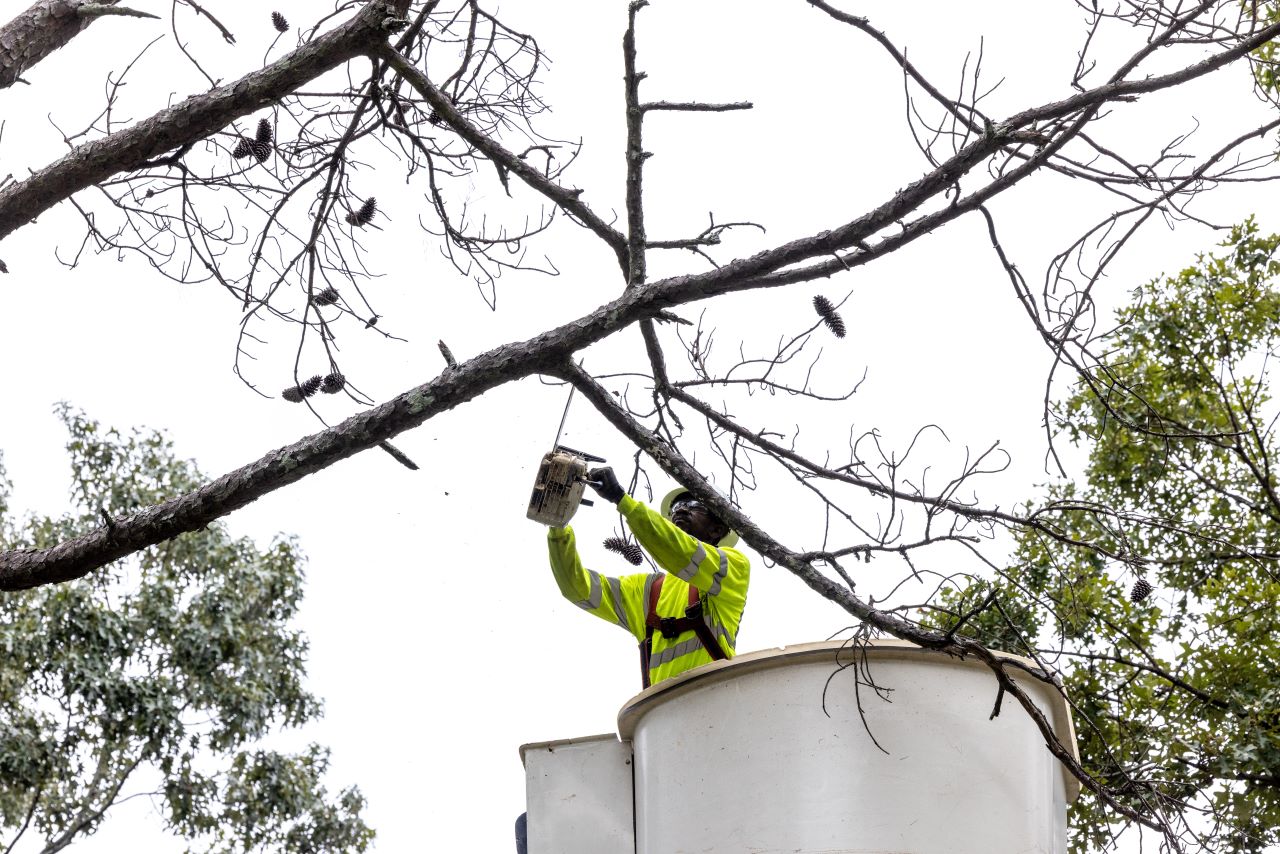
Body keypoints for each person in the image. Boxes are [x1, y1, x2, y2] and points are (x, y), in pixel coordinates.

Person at [545, 466, 751, 689]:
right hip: (663, 708)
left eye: (693, 505)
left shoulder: (733, 567)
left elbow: (679, 551)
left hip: (715, 699)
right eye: (675, 507)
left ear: (717, 529)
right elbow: (577, 588)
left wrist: (622, 500)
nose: (681, 510)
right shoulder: (649, 591)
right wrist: (558, 527)